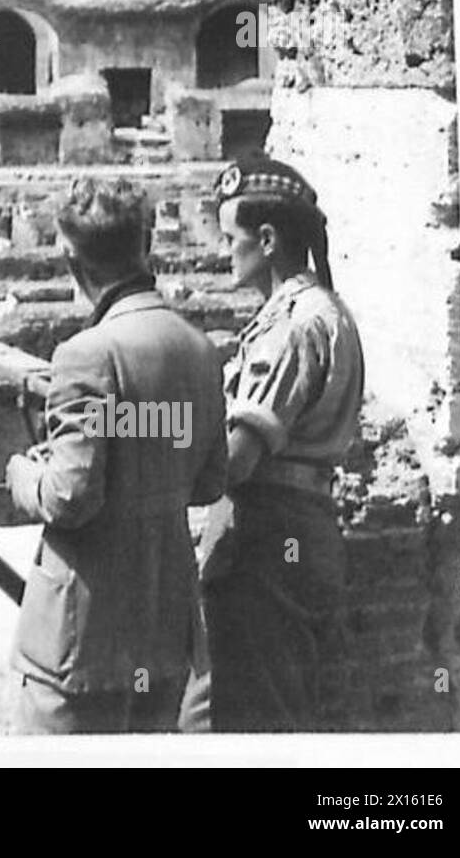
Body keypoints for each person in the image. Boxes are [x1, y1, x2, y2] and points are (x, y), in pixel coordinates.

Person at [0, 177, 226, 734]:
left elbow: (70, 497)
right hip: (163, 621)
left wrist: (23, 474)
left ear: (71, 258)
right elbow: (209, 482)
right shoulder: (198, 347)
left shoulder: (87, 354)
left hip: (85, 634)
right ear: (144, 243)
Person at [182, 155, 364, 732]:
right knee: (275, 703)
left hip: (271, 534)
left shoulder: (294, 324)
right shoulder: (320, 311)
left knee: (260, 714)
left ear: (265, 240)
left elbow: (237, 461)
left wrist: (155, 462)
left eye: (230, 238)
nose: (222, 251)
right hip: (299, 527)